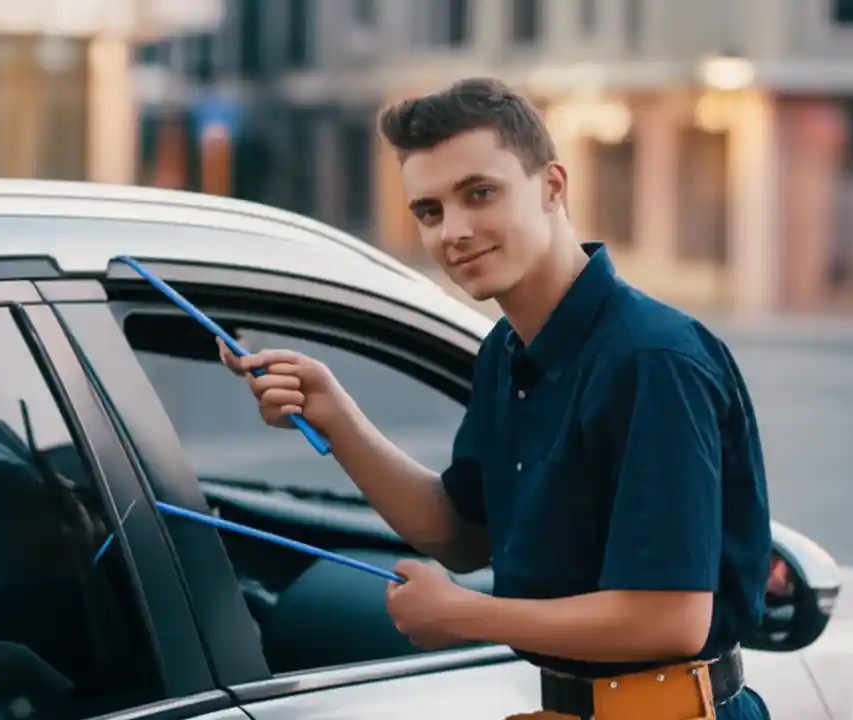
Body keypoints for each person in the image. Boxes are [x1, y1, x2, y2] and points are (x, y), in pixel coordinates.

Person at [218, 77, 772, 720]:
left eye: (479, 194)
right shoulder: (506, 351)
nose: (454, 230)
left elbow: (669, 618)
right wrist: (333, 413)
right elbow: (460, 534)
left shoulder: (650, 359)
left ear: (553, 186)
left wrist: (462, 614)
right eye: (429, 211)